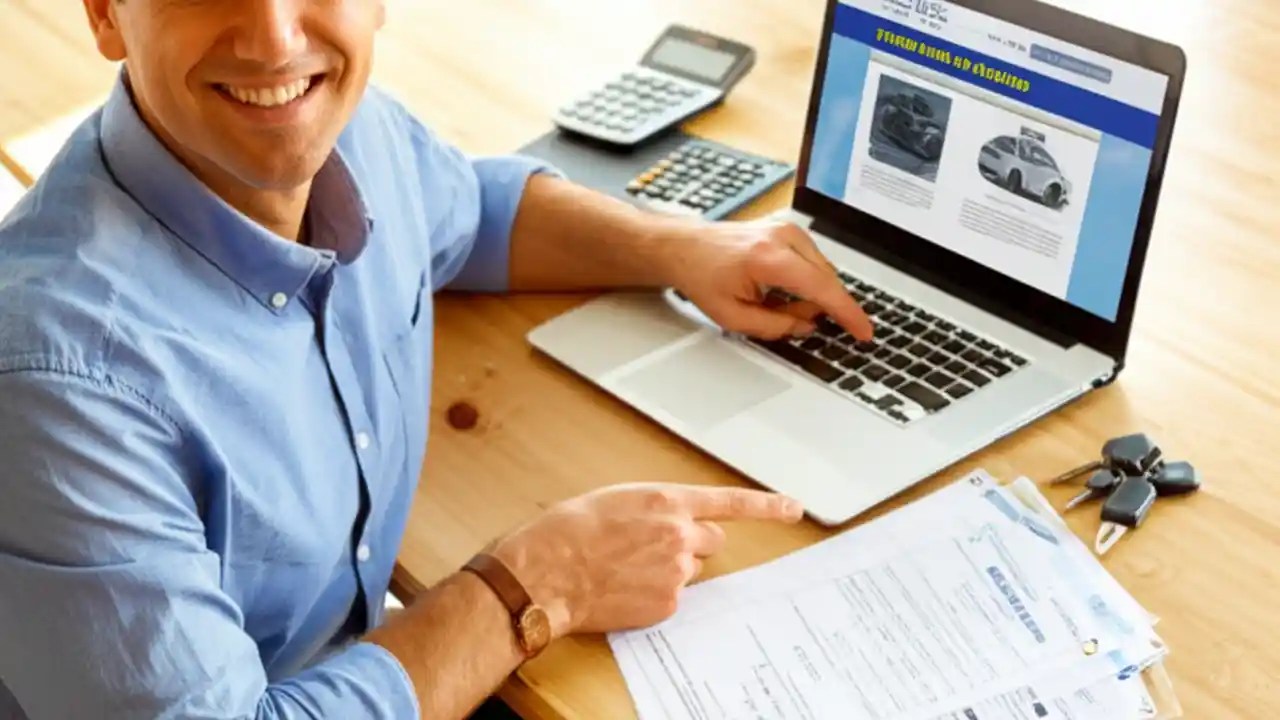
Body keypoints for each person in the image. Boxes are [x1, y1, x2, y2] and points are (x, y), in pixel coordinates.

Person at [0, 1, 873, 718]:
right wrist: (540, 585)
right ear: (106, 14)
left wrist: (683, 248)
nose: (274, 37)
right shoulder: (57, 385)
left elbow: (474, 214)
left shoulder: (340, 123)